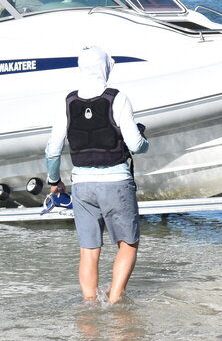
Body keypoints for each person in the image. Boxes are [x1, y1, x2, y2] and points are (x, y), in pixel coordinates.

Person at [46, 46, 148, 303]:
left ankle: (89, 306)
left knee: (89, 251)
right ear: (105, 68)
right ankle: (114, 299)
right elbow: (135, 145)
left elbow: (53, 149)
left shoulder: (67, 102)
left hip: (82, 186)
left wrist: (54, 181)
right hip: (116, 183)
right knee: (128, 243)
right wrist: (145, 141)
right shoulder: (117, 98)